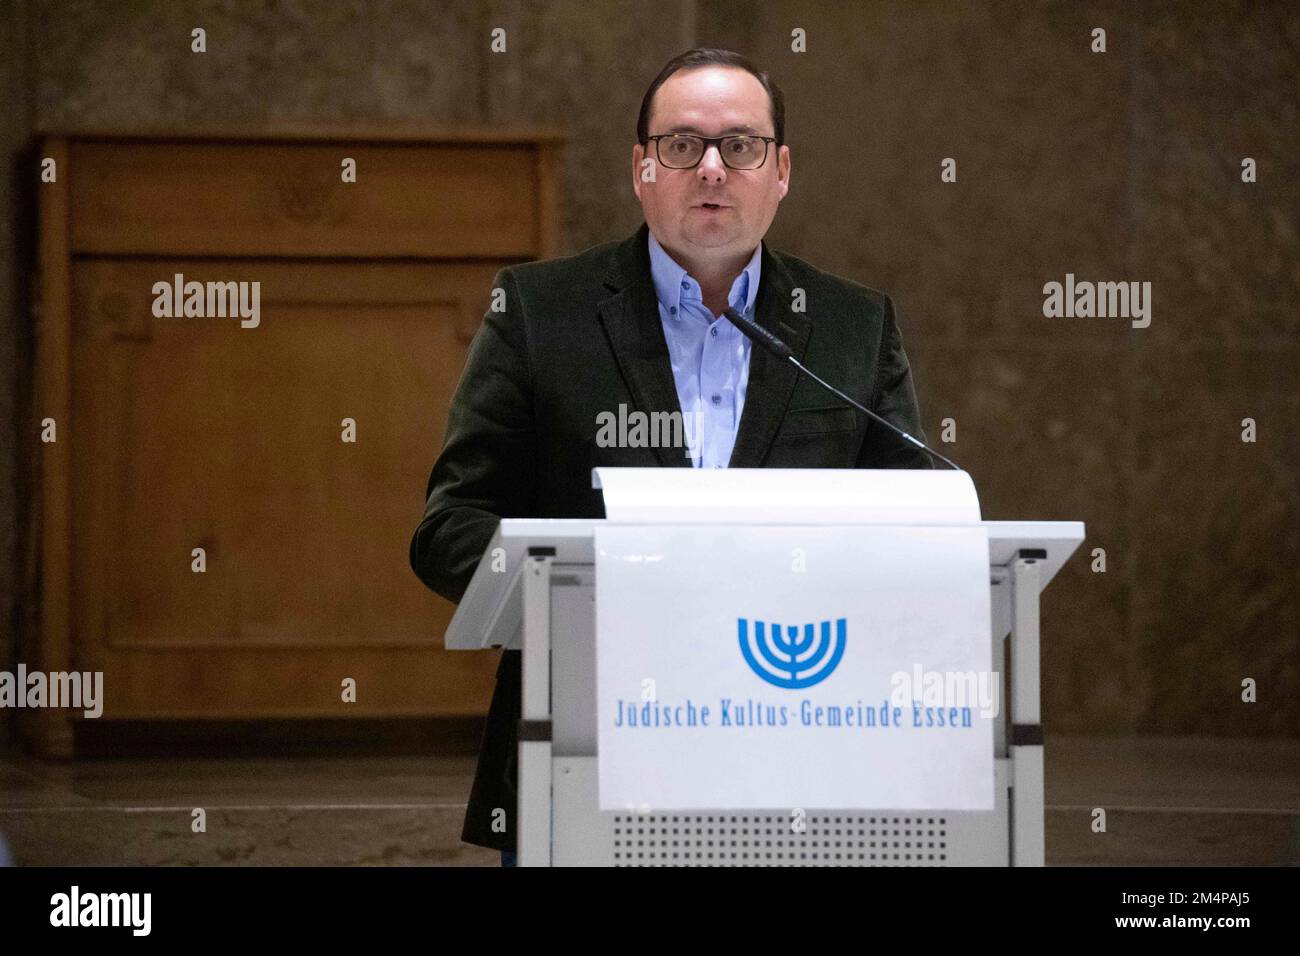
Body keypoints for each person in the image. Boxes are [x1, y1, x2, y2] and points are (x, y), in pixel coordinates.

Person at [409, 48, 933, 866]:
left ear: (782, 169)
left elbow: (918, 520)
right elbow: (451, 527)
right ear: (642, 168)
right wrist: (593, 582)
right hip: (589, 751)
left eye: (742, 146)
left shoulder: (850, 327)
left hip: (801, 751)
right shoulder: (542, 314)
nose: (714, 169)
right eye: (683, 146)